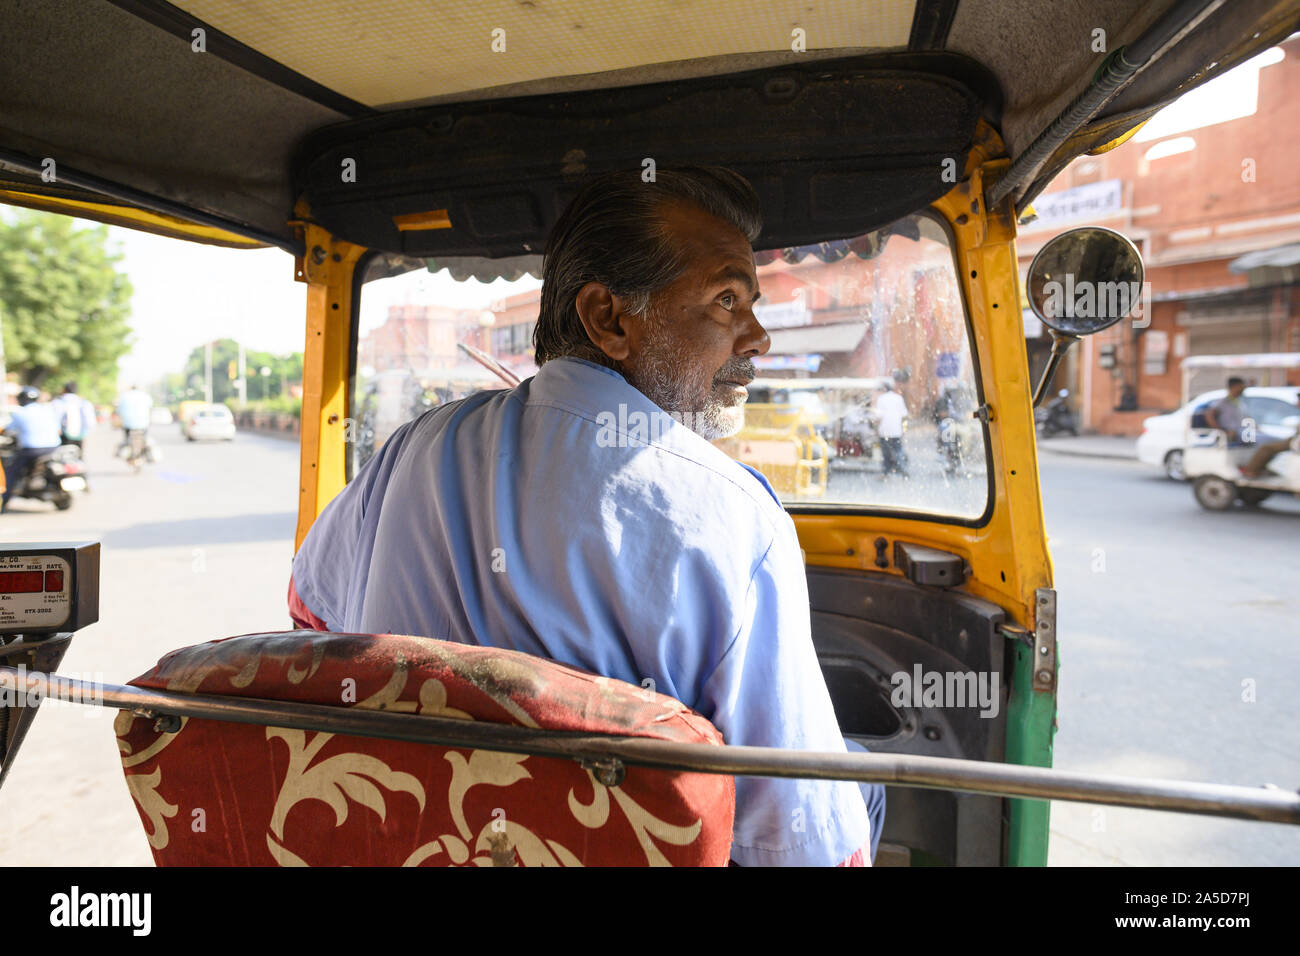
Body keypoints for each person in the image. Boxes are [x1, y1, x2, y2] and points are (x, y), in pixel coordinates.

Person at [289, 167, 884, 867]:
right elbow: (802, 840)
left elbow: (311, 619)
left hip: (404, 846)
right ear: (608, 319)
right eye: (727, 301)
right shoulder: (733, 518)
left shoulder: (412, 447)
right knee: (857, 776)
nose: (758, 339)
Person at [2, 386, 62, 512]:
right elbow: (59, 430)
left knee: (10, 473)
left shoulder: (20, 413)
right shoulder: (48, 410)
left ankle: (4, 500)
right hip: (54, 448)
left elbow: (7, 430)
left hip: (32, 450)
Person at [1240, 390, 1300, 479]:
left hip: (1296, 442)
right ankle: (1258, 469)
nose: (1296, 403)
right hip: (1295, 440)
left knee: (1266, 448)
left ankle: (1251, 471)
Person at [874, 380, 909, 475]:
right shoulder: (898, 398)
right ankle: (902, 468)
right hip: (896, 430)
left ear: (884, 389)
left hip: (884, 431)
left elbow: (878, 416)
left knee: (886, 453)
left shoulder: (881, 399)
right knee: (898, 450)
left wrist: (876, 429)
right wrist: (903, 428)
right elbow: (904, 415)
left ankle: (886, 471)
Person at [51, 381, 96, 450]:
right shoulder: (85, 403)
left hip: (62, 437)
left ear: (64, 390)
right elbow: (90, 423)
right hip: (79, 437)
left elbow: (53, 421)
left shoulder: (57, 402)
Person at [1204, 377, 1247, 443]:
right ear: (1234, 387)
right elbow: (1209, 415)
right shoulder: (1222, 402)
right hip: (1230, 435)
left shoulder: (1239, 402)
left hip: (1240, 433)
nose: (1243, 388)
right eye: (1241, 386)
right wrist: (1222, 432)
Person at [115, 385, 153, 455]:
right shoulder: (145, 395)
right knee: (144, 438)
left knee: (126, 439)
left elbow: (118, 411)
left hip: (127, 423)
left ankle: (126, 445)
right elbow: (150, 409)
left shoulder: (124, 396)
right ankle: (144, 449)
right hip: (143, 423)